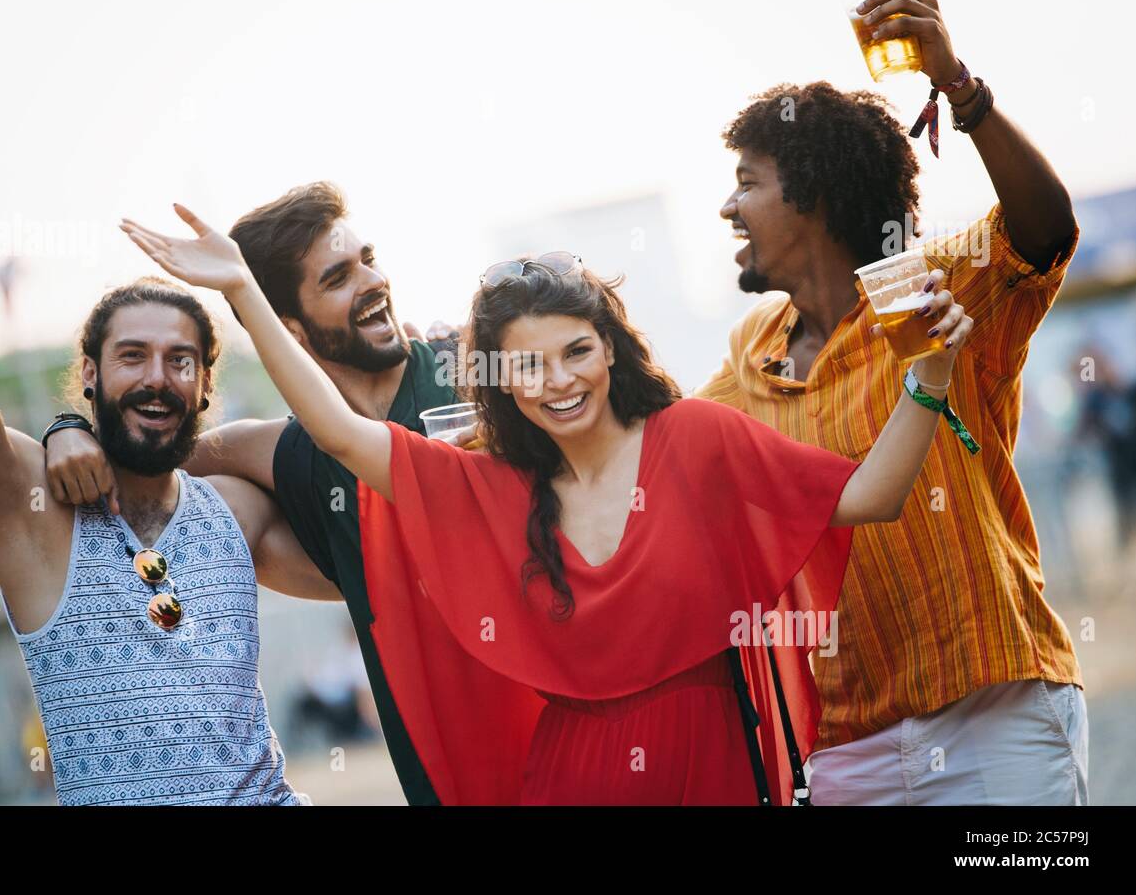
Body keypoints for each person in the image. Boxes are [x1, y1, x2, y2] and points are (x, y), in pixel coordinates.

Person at [115, 199, 972, 805]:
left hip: (710, 765)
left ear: (611, 348)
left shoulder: (698, 439)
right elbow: (337, 432)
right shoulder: (493, 487)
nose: (558, 380)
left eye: (575, 351)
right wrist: (241, 295)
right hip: (568, 779)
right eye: (529, 365)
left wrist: (929, 375)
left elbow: (872, 495)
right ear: (503, 386)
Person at [0, 92, 339, 805]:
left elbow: (369, 572)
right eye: (133, 356)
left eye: (181, 360)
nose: (157, 376)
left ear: (206, 384)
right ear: (90, 375)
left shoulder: (238, 510)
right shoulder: (31, 509)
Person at [694, 0, 1087, 803]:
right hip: (844, 753)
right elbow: (641, 441)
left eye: (748, 183)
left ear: (817, 199)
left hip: (1000, 713)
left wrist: (958, 88)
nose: (729, 208)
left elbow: (1046, 229)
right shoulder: (747, 360)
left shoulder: (931, 290)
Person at [45, 182, 460, 804]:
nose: (373, 280)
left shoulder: (472, 371)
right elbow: (148, 445)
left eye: (368, 258)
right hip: (449, 780)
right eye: (339, 276)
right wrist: (68, 428)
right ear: (286, 327)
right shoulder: (283, 454)